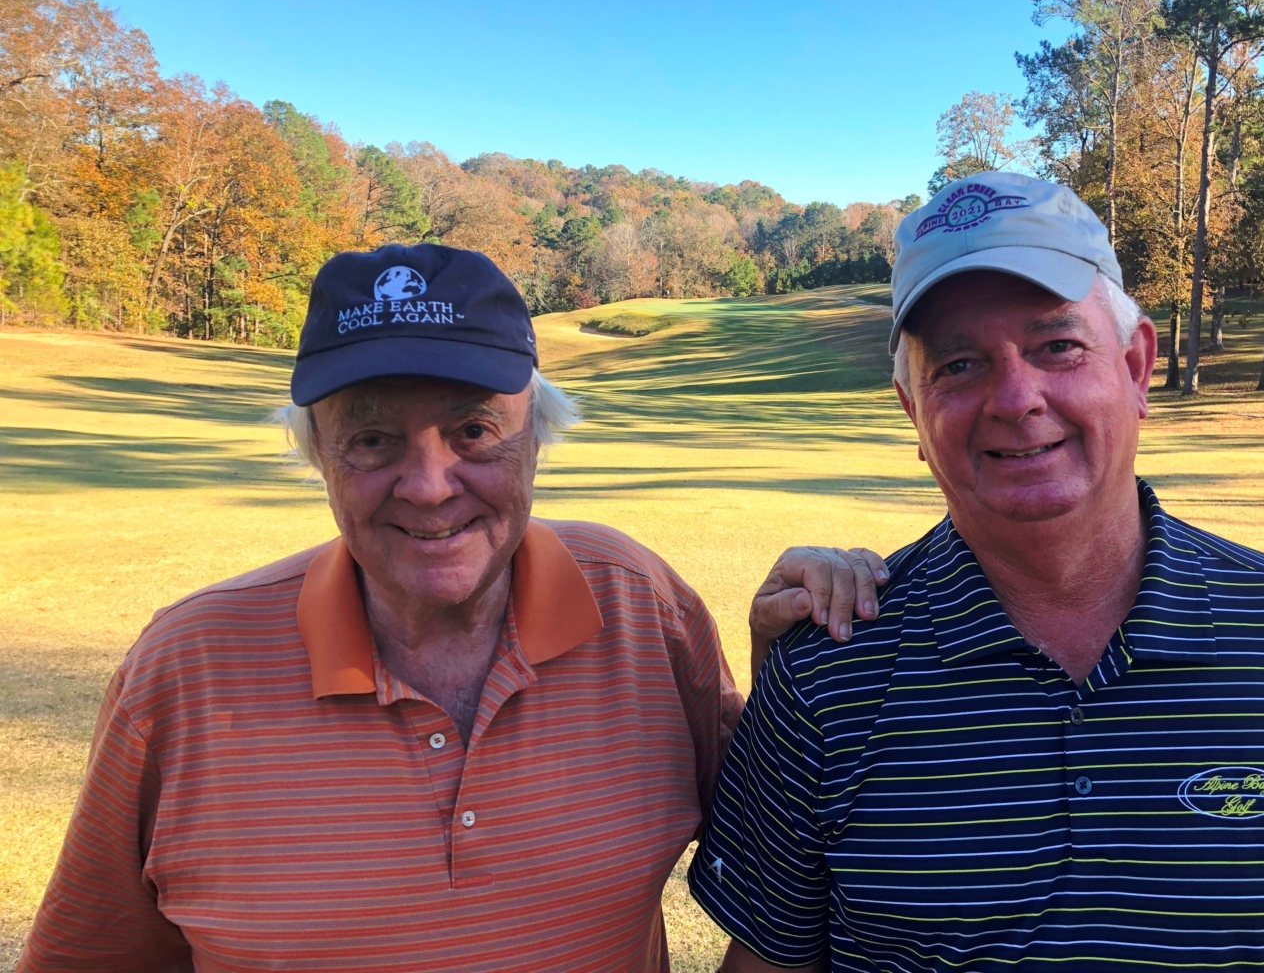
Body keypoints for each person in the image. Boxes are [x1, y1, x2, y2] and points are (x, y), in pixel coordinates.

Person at [690, 171, 1264, 973]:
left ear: (1137, 366)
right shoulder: (828, 671)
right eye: (959, 365)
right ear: (914, 410)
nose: (1016, 397)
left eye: (1057, 346)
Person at [18, 243, 883, 972]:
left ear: (536, 436)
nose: (430, 488)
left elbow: (774, 839)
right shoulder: (185, 666)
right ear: (316, 452)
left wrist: (799, 672)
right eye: (371, 437)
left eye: (473, 431)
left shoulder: (635, 601)